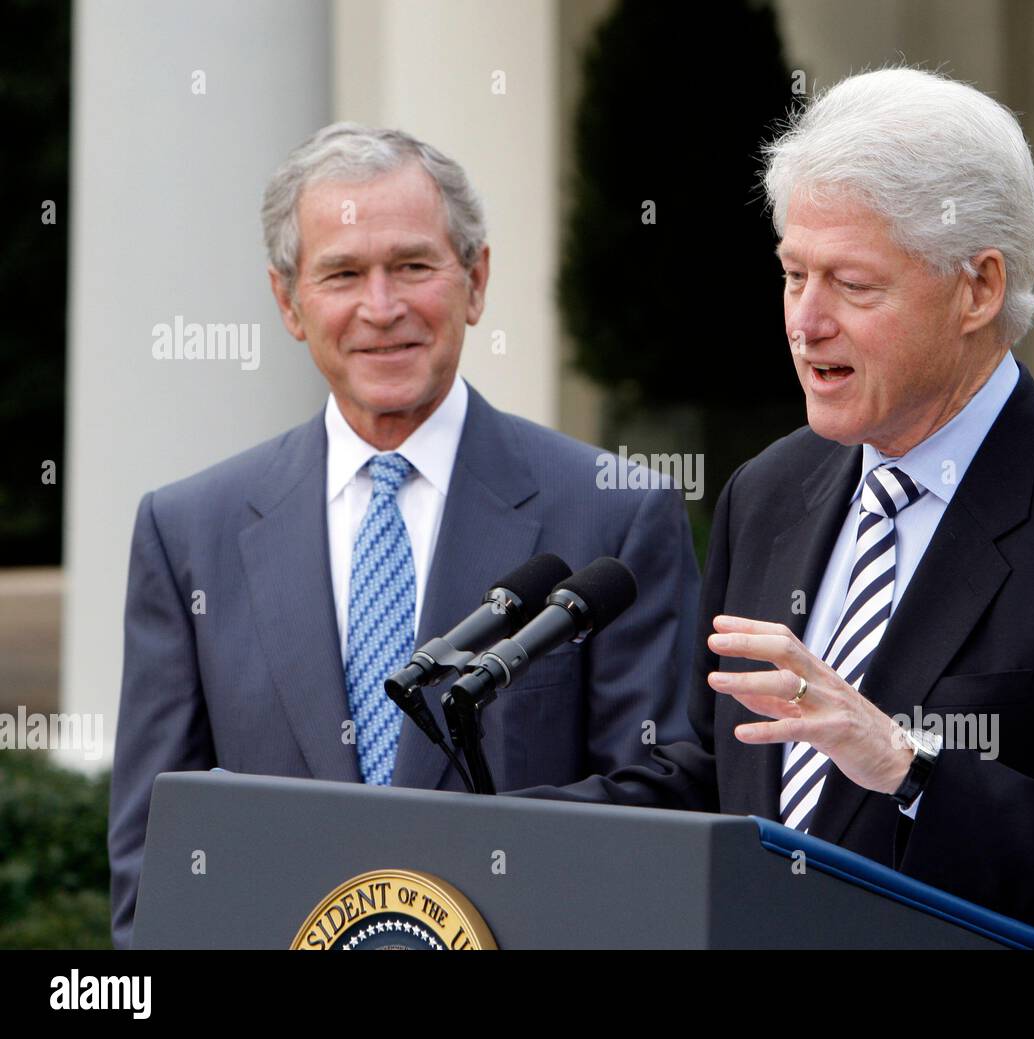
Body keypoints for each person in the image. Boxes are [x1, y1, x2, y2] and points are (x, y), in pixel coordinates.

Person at [511, 68, 1034, 948]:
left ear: (978, 288)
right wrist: (509, 832)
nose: (805, 321)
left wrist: (910, 769)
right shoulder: (770, 491)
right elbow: (731, 776)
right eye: (793, 275)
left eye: (853, 286)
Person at [108, 124, 700, 949]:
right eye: (343, 273)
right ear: (288, 301)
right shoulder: (187, 533)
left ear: (476, 279)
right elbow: (154, 851)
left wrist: (452, 857)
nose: (381, 308)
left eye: (414, 266)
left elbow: (666, 797)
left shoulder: (615, 513)